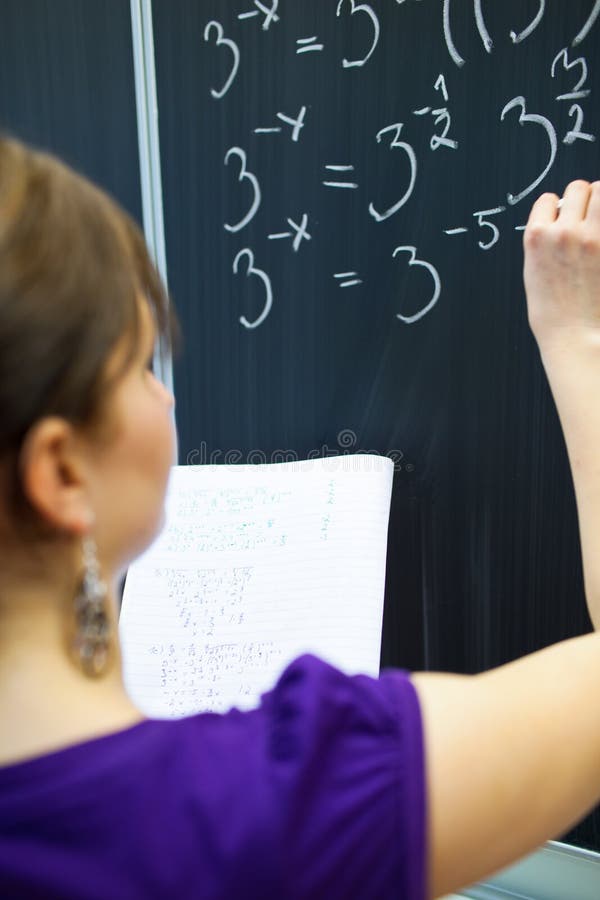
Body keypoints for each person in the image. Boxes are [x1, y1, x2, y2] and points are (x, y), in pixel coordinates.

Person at [0, 134, 599, 900]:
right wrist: (578, 340)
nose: (169, 396)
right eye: (143, 368)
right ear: (60, 473)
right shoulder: (290, 801)